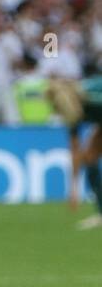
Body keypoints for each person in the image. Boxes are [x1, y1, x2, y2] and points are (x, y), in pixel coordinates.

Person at [46, 77, 102, 230]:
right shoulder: (73, 110)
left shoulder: (93, 100)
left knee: (91, 154)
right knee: (90, 158)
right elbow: (75, 151)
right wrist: (73, 189)